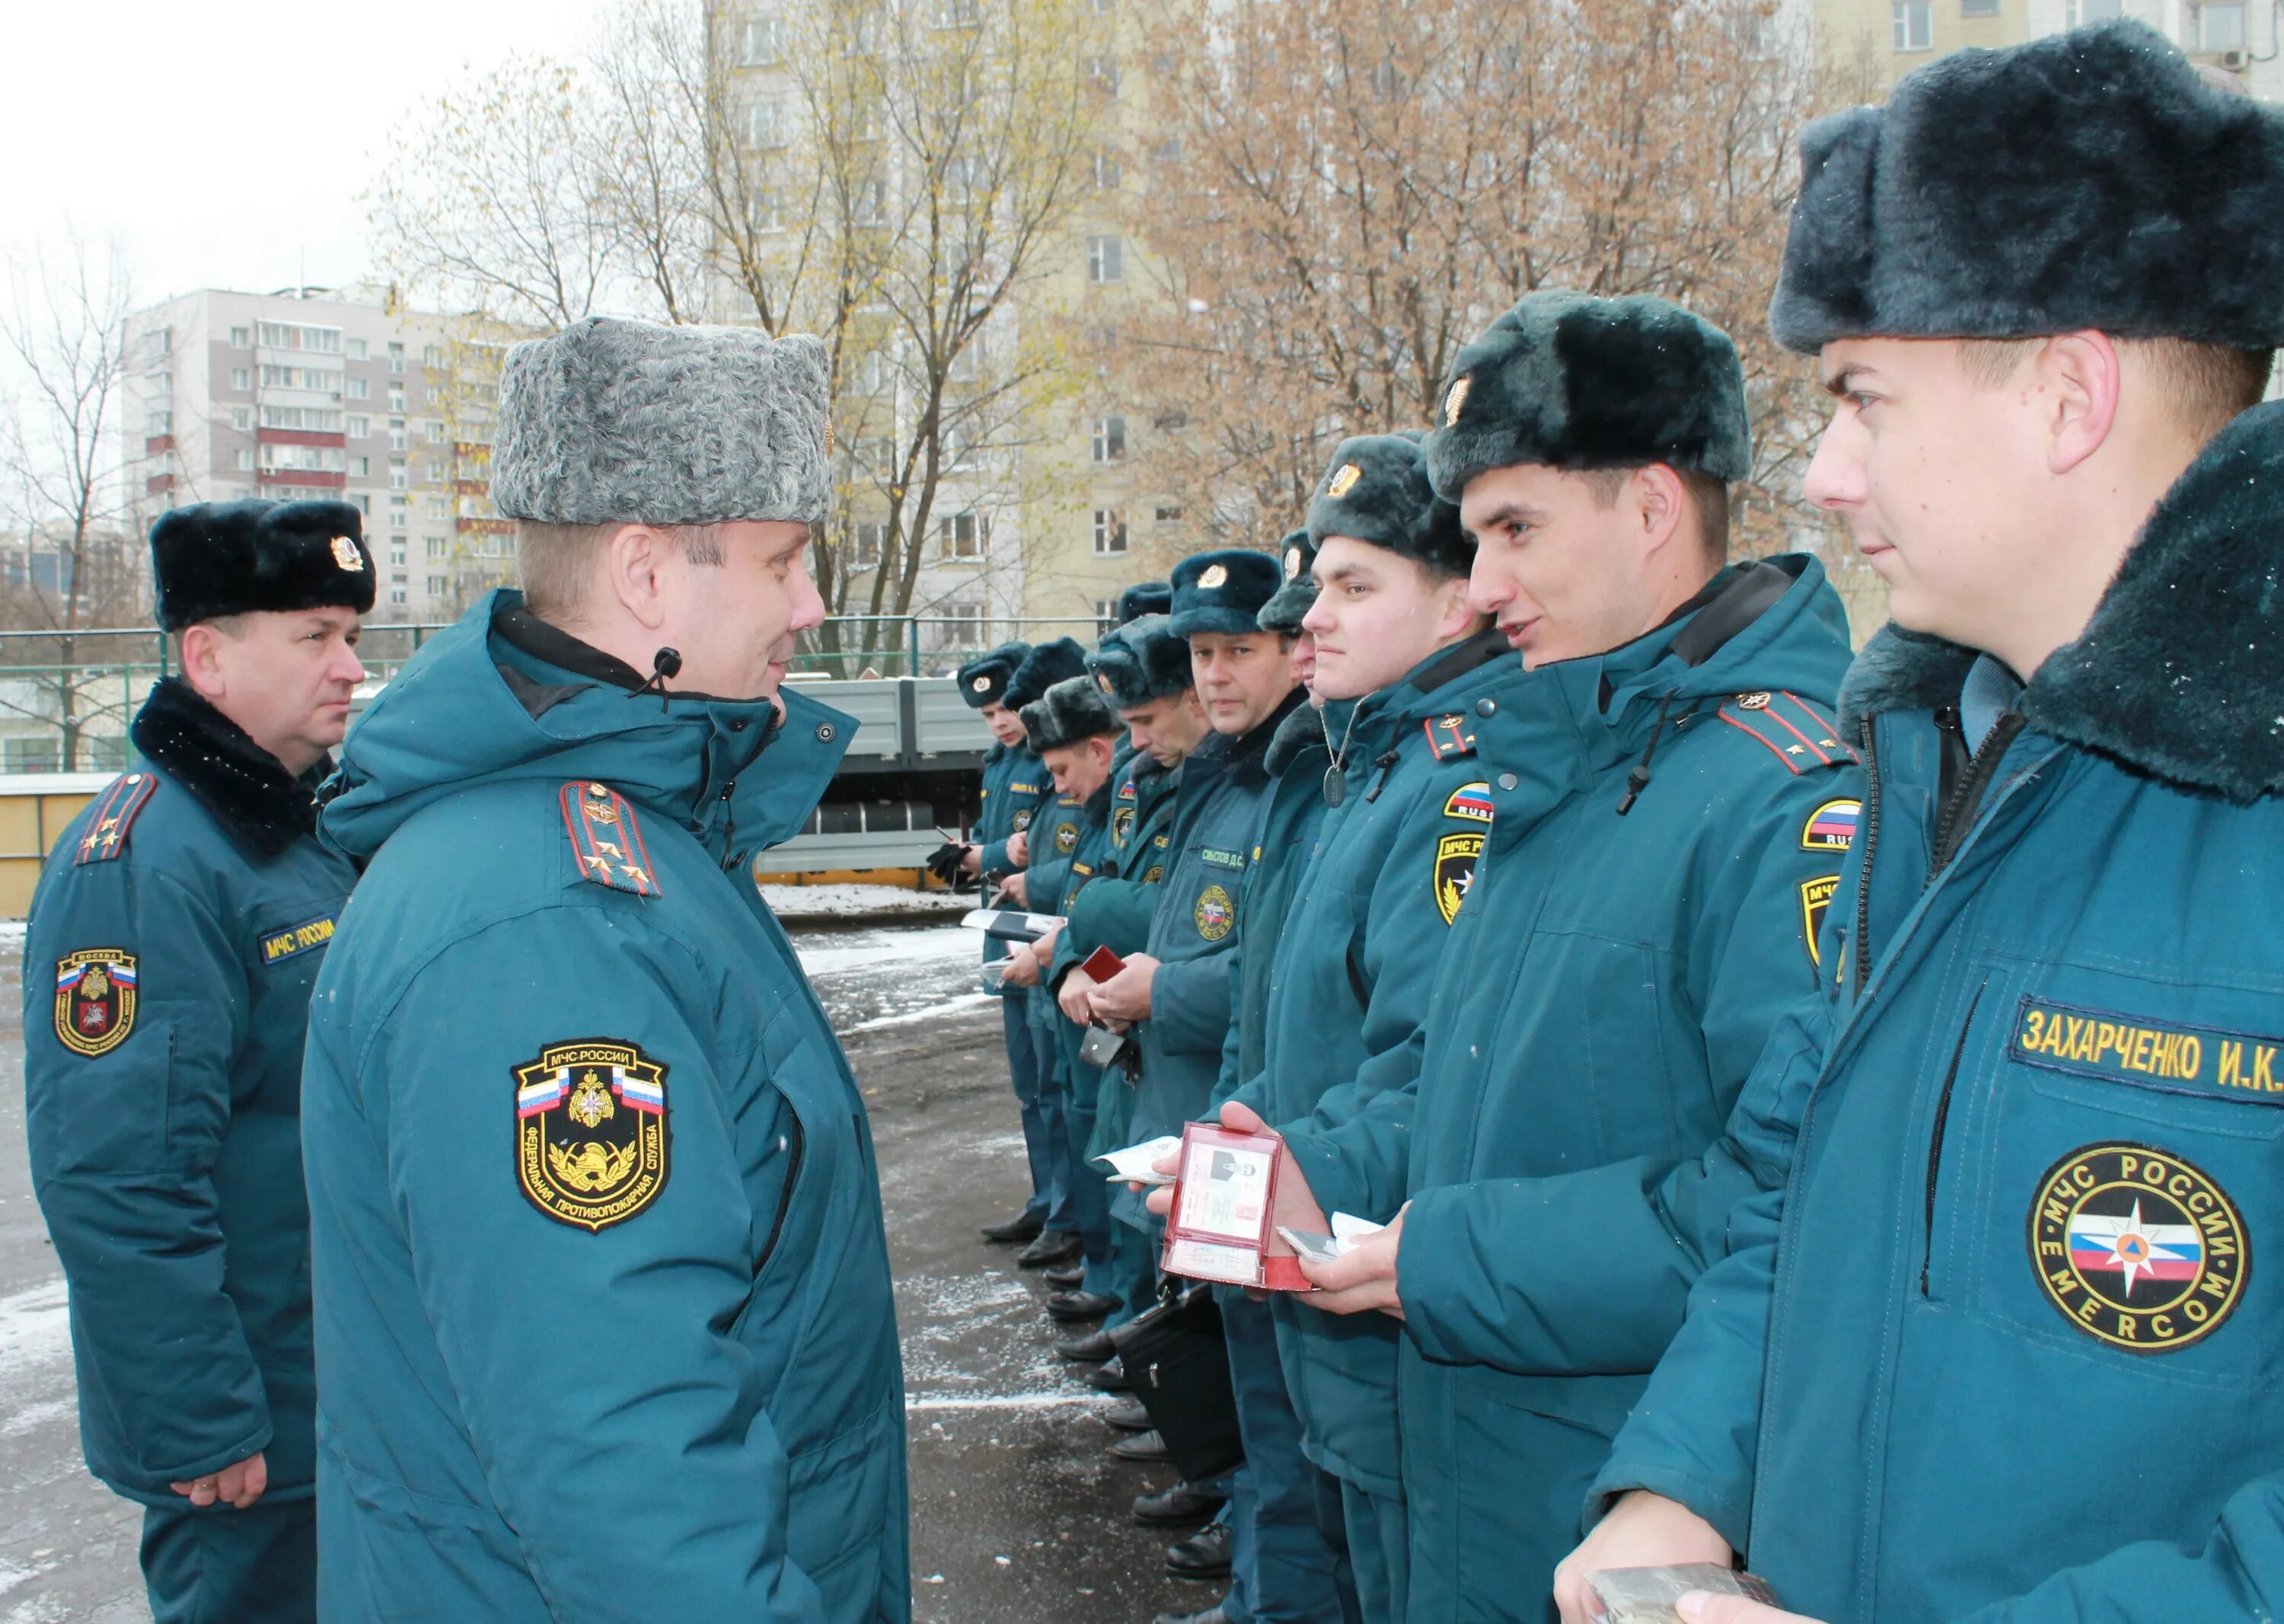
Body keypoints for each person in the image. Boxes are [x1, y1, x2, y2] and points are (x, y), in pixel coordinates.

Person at [1555, 24, 2284, 1624]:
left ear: (2072, 393)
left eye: (1865, 399)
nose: (1823, 474)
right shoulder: (1930, 759)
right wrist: (1681, 1481)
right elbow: (1797, 1190)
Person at [1203, 290, 1861, 1624]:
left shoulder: (1786, 799)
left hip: (1614, 1507)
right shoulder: (1557, 756)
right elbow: (1473, 1089)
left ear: (1654, 508)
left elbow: (1784, 1216)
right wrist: (1313, 1165)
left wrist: (1448, 1256)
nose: (1485, 584)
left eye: (1515, 529)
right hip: (1475, 1476)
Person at [301, 317, 908, 1621]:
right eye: (784, 559)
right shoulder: (549, 917)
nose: (811, 604)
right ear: (644, 571)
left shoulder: (632, 837)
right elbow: (629, 1472)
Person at [24, 499, 372, 1623]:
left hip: (340, 1390)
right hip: (255, 1430)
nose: (350, 667)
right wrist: (199, 1420)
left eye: (352, 636)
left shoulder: (294, 836)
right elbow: (118, 1173)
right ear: (207, 656)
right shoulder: (146, 862)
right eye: (314, 635)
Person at [949, 640, 1061, 1246]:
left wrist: (984, 857)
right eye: (989, 715)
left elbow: (1026, 850)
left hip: (1041, 935)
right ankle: (1046, 1199)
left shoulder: (1046, 754)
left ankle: (1066, 1212)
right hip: (1006, 936)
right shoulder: (999, 760)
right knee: (1029, 1086)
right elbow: (1003, 847)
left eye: (1007, 709)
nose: (1000, 722)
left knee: (1054, 1085)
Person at [993, 635, 1093, 1272]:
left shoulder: (1090, 775)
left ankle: (1076, 1223)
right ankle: (1057, 1206)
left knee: (1074, 1096)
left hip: (1069, 952)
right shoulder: (1046, 770)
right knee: (1046, 1089)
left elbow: (1088, 873)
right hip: (1041, 943)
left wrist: (1032, 878)